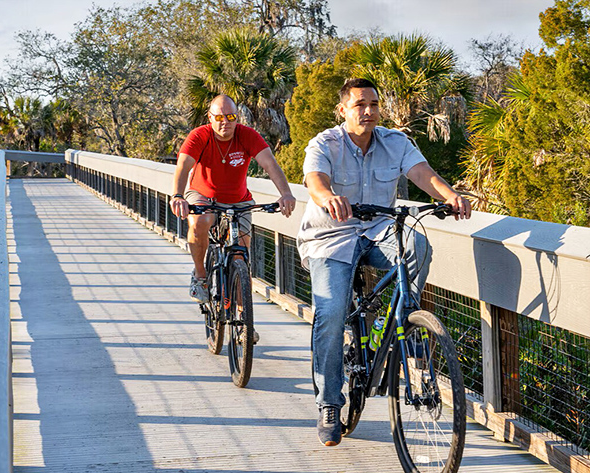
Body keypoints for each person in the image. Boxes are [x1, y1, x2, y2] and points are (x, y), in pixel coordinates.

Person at [296, 78, 471, 447]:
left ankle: (406, 324)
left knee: (418, 245)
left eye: (374, 104)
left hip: (378, 229)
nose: (369, 111)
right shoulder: (324, 143)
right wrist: (328, 197)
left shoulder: (396, 142)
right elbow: (315, 179)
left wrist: (451, 196)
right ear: (343, 110)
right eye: (360, 105)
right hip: (331, 236)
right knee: (330, 314)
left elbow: (424, 175)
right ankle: (329, 403)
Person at [170, 95, 296, 341]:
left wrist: (286, 194)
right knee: (200, 222)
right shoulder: (199, 136)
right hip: (202, 195)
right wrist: (177, 195)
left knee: (240, 255)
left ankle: (243, 323)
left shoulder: (247, 136)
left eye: (230, 117)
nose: (225, 122)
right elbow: (183, 166)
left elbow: (270, 165)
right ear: (210, 118)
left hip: (239, 200)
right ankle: (201, 276)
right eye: (219, 117)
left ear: (236, 118)